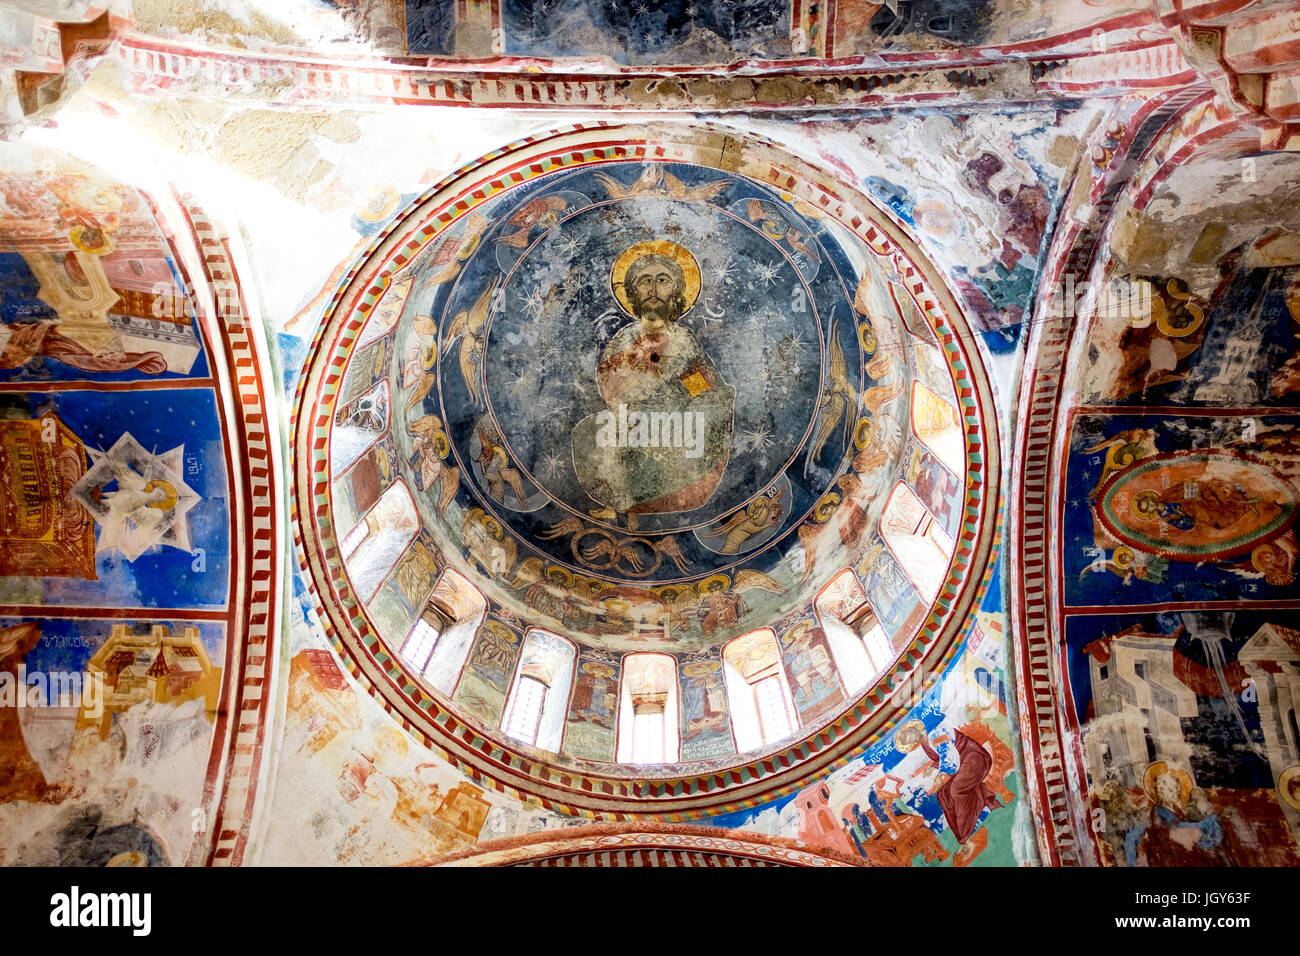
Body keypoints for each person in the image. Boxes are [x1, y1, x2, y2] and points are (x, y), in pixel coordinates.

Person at [572, 244, 735, 530]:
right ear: (632, 292)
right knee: (588, 433)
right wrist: (630, 377)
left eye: (663, 280)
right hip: (630, 419)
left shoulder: (682, 340)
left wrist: (696, 409)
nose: (653, 288)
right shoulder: (625, 337)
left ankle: (640, 506)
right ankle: (618, 504)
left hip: (670, 422)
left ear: (675, 291)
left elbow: (698, 386)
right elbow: (608, 384)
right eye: (645, 280)